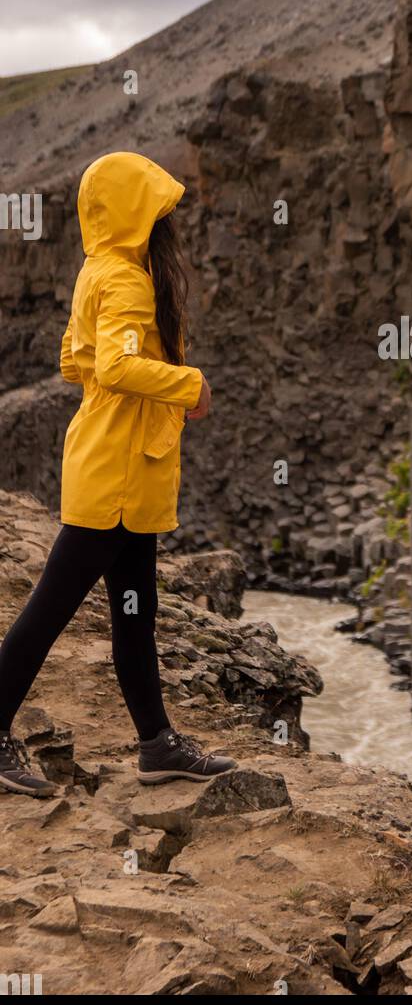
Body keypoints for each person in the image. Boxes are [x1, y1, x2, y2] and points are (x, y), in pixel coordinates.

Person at [0, 150, 236, 796]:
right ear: (138, 214)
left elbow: (73, 362)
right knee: (50, 610)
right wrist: (187, 385)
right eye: (159, 209)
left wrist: (147, 396)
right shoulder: (128, 281)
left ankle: (157, 743)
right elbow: (112, 368)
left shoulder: (97, 271)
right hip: (117, 478)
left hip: (118, 466)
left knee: (136, 614)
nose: (169, 221)